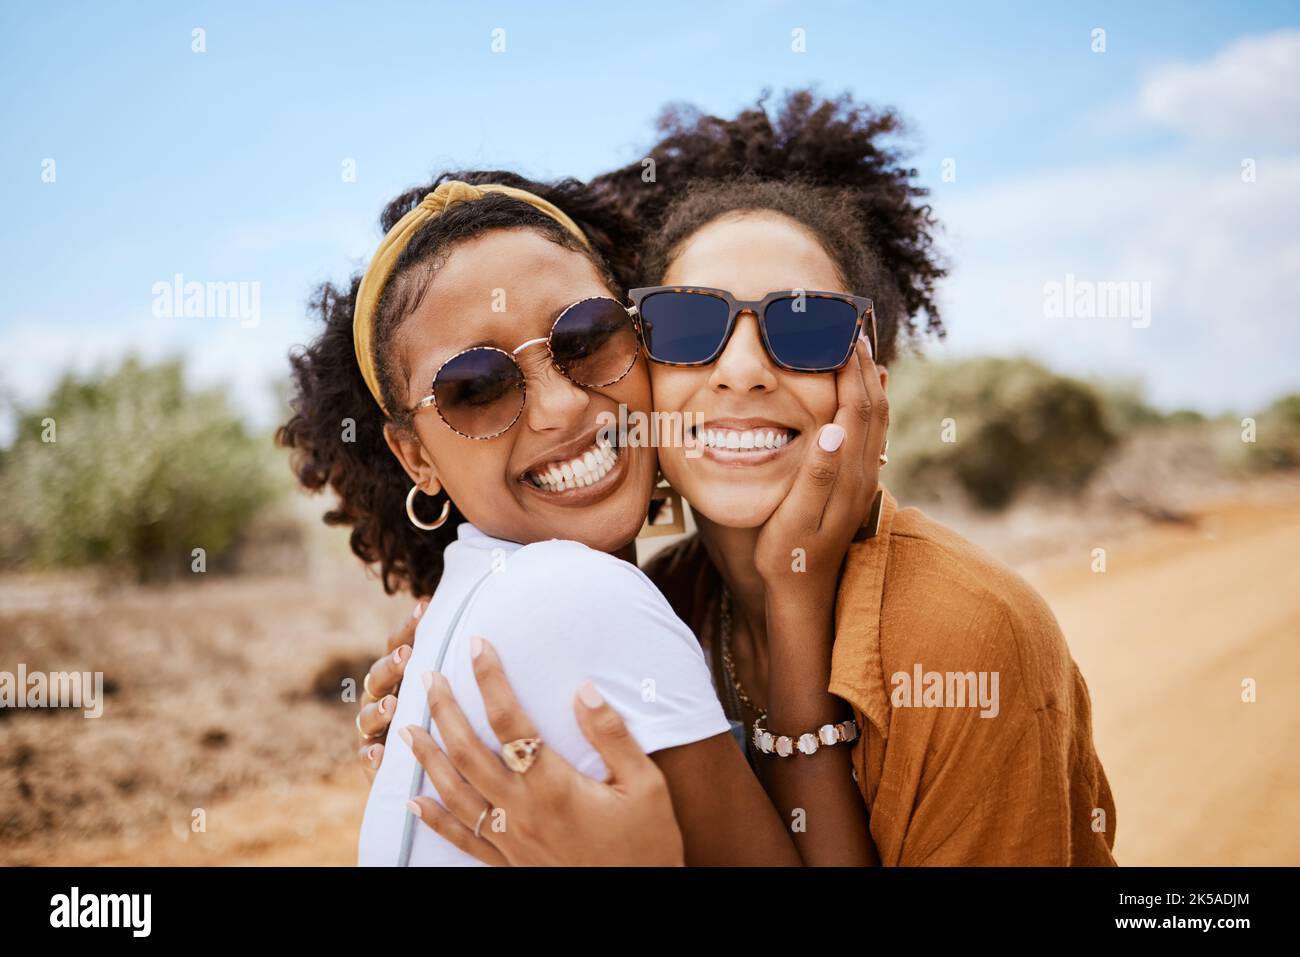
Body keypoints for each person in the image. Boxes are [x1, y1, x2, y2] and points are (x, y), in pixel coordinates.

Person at [358, 92, 1118, 866]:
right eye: (692, 328)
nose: (746, 372)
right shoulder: (672, 604)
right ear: (650, 357)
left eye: (805, 325)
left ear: (871, 379)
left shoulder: (965, 636)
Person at [280, 167, 883, 865]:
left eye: (587, 336)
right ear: (415, 456)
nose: (562, 407)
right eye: (476, 387)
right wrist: (798, 602)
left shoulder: (484, 601)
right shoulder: (586, 598)